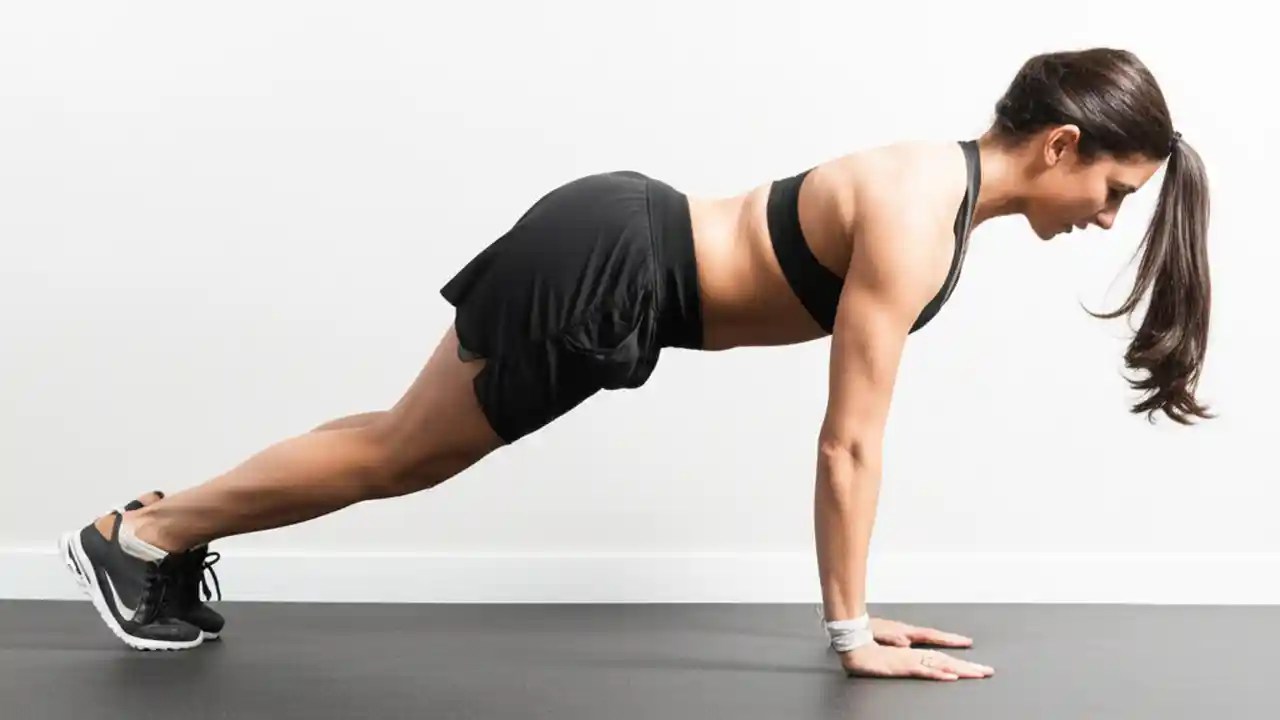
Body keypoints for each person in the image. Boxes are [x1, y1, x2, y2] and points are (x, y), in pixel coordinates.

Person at [58, 47, 1211, 680]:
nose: (1107, 219)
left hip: (621, 253)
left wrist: (860, 616)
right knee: (401, 452)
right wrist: (850, 633)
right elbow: (847, 439)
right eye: (1111, 190)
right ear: (1062, 144)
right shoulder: (919, 212)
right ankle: (140, 538)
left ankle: (159, 535)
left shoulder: (934, 192)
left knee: (398, 445)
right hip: (617, 263)